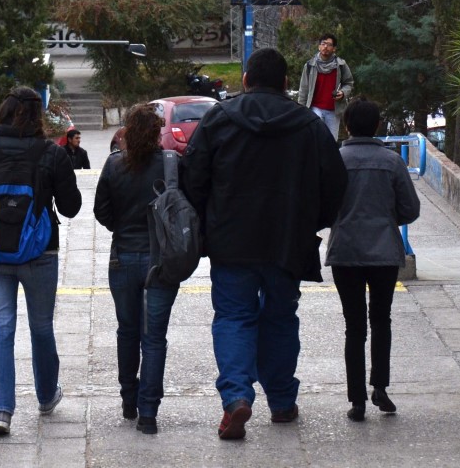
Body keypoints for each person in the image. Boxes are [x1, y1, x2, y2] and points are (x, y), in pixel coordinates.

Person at [181, 47, 346, 439]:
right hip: (288, 240)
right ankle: (283, 402)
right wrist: (310, 221)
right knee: (280, 318)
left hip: (230, 240)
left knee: (234, 317)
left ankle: (237, 397)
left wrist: (208, 222)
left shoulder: (219, 119)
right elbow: (336, 185)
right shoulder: (308, 125)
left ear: (244, 81)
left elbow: (193, 177)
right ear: (287, 83)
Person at [0, 86, 82, 437]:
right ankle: (46, 397)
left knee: (2, 329)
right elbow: (72, 207)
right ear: (37, 115)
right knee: (41, 327)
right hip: (40, 252)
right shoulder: (51, 153)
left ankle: (1, 411)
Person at [327, 99, 421, 422]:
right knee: (381, 320)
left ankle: (356, 401)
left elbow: (322, 207)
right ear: (378, 125)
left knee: (354, 326)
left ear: (347, 126)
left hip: (346, 253)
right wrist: (387, 217)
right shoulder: (392, 162)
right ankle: (379, 387)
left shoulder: (335, 160)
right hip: (383, 254)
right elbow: (411, 209)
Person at [93, 103, 180, 434]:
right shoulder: (172, 165)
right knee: (154, 337)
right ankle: (148, 412)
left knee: (127, 331)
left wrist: (122, 226)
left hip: (124, 258)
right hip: (161, 261)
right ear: (158, 132)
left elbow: (102, 210)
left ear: (126, 132)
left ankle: (129, 399)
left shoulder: (114, 165)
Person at [295, 34, 354, 141]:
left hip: (333, 110)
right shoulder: (309, 66)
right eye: (323, 44)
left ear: (334, 49)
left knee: (331, 142)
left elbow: (349, 82)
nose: (325, 47)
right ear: (319, 47)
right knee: (315, 139)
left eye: (329, 45)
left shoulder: (341, 65)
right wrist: (301, 110)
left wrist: (343, 93)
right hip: (315, 108)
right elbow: (303, 90)